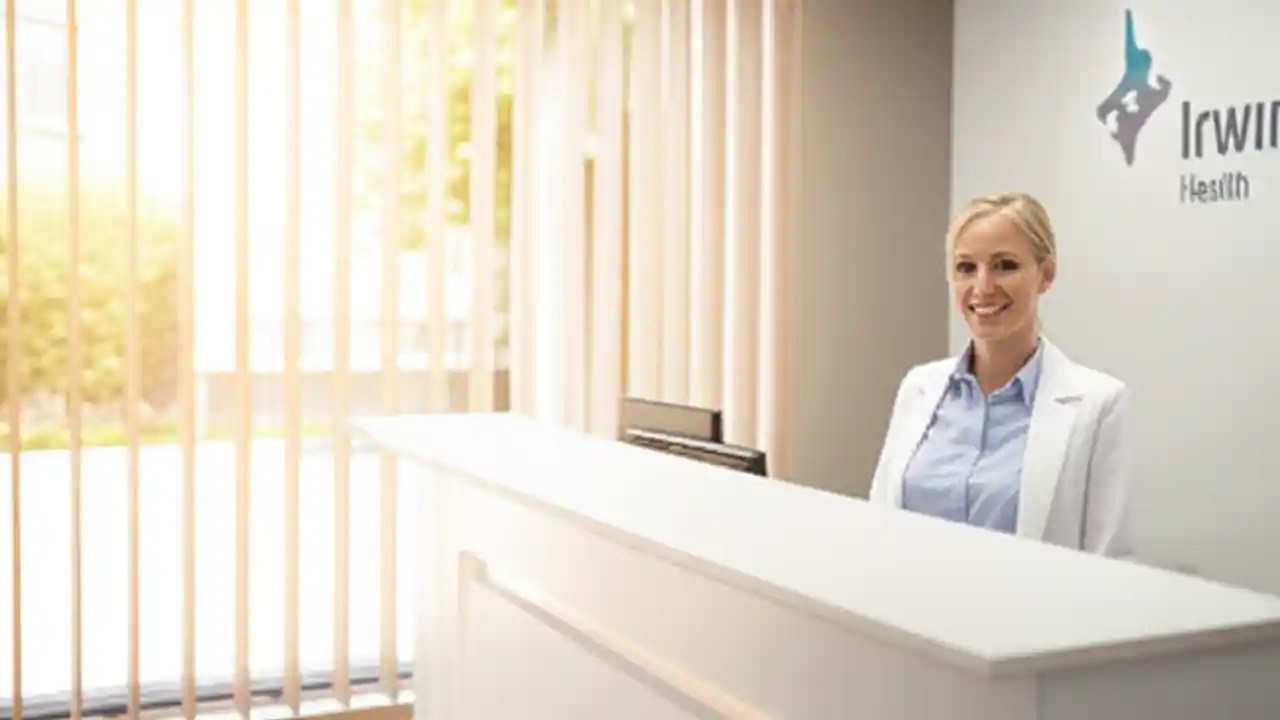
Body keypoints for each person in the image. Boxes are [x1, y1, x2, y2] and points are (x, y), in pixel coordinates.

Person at [868, 192, 1132, 557]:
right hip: (908, 608)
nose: (983, 286)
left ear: (1046, 274)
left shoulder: (1098, 405)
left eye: (1005, 265)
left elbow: (1109, 562)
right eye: (965, 268)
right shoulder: (919, 388)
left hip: (1029, 613)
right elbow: (878, 527)